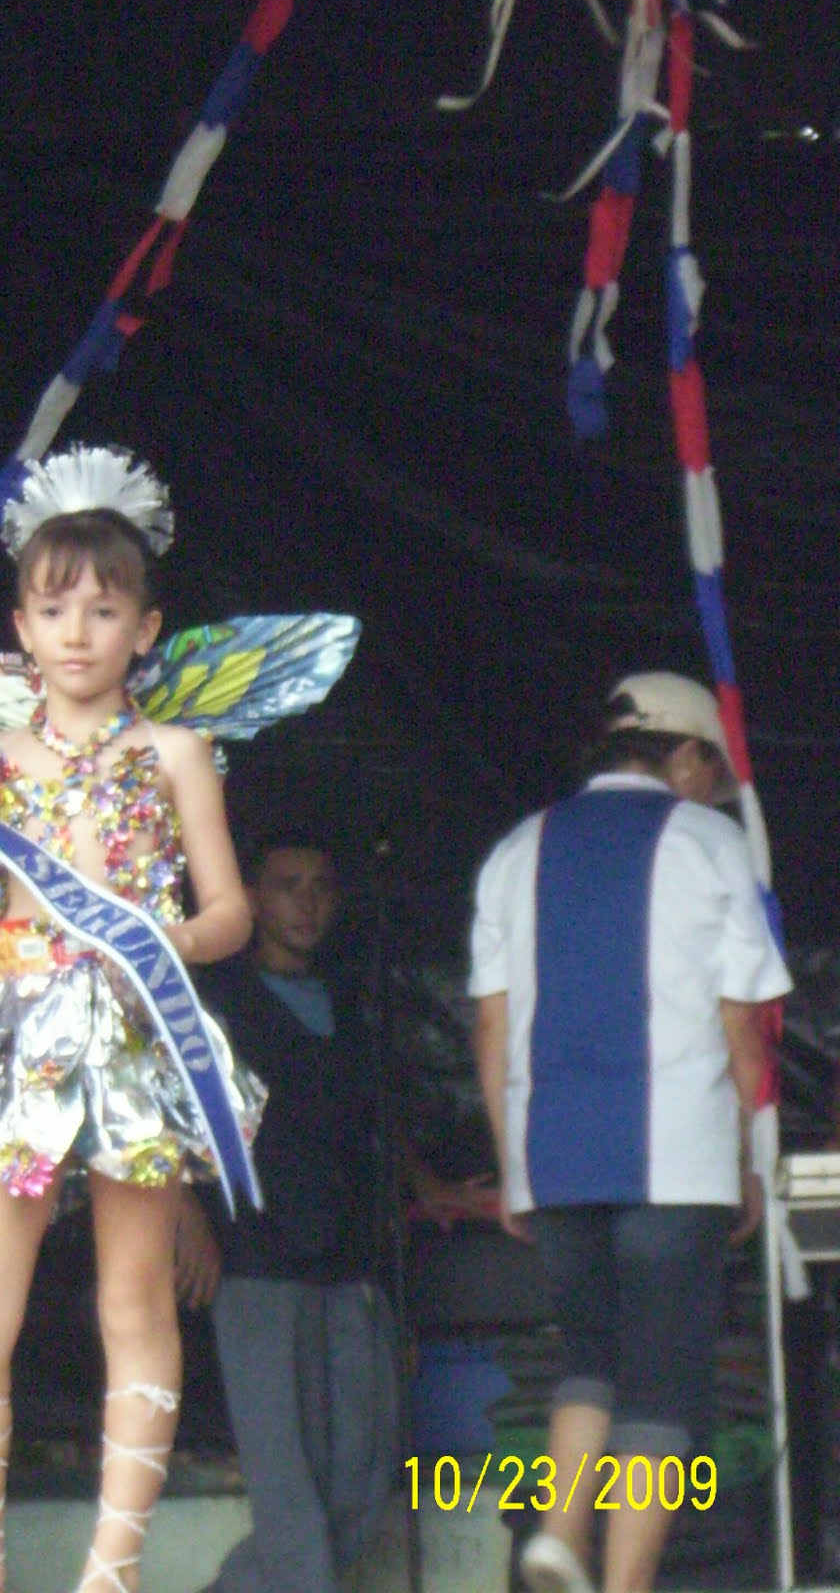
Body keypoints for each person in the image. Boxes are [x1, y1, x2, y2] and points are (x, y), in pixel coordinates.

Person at [0, 446, 262, 1593]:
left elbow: (232, 911)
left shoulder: (178, 752)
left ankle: (113, 1567)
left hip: (135, 1040)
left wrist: (163, 945)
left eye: (104, 611)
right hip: (16, 1043)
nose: (77, 632)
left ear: (145, 629)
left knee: (132, 1299)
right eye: (54, 610)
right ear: (20, 623)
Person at [468, 672, 791, 1593]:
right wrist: (752, 1155)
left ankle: (562, 1534)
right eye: (712, 772)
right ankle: (623, 1586)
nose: (713, 791)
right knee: (661, 1383)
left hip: (556, 1157)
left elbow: (490, 1025)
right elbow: (741, 1020)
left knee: (590, 1359)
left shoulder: (515, 850)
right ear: (684, 757)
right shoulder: (710, 841)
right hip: (678, 1157)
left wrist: (514, 1165)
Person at [177, 834, 463, 1593]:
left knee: (362, 1485)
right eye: (287, 885)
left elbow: (373, 1112)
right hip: (256, 1257)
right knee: (288, 1490)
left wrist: (425, 1183)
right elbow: (171, 1118)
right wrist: (186, 1217)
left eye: (321, 886)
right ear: (251, 898)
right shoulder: (218, 1002)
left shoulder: (351, 1002)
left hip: (352, 1260)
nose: (307, 903)